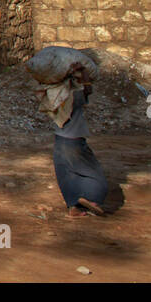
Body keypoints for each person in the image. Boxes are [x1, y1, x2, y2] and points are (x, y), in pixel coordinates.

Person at [50, 62, 108, 218]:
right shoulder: (73, 96)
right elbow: (88, 90)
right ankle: (93, 200)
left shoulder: (53, 95)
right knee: (94, 175)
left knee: (66, 175)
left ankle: (74, 207)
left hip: (59, 142)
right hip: (74, 141)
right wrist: (84, 74)